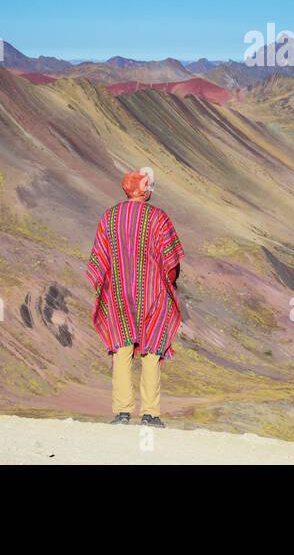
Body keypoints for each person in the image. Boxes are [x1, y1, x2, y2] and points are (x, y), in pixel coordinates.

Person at [85, 169, 185, 427]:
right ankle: (150, 414)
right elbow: (171, 261)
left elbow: (100, 257)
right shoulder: (158, 218)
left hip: (118, 293)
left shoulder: (109, 217)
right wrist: (169, 282)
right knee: (152, 350)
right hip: (153, 292)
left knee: (121, 347)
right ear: (145, 190)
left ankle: (121, 413)